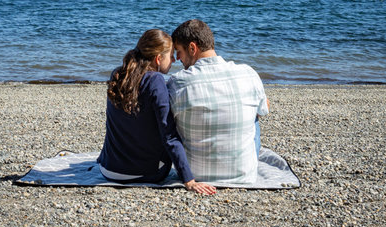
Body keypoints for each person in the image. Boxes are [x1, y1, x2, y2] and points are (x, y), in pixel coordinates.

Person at [97, 28, 216, 195]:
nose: (174, 59)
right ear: (159, 59)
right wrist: (188, 180)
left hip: (108, 170)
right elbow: (169, 135)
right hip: (145, 173)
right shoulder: (156, 80)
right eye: (171, 55)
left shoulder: (117, 74)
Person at [167, 19, 269, 185]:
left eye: (179, 51)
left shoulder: (178, 82)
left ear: (192, 48)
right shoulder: (248, 73)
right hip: (244, 176)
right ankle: (238, 162)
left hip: (194, 175)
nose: (177, 58)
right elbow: (264, 109)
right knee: (255, 114)